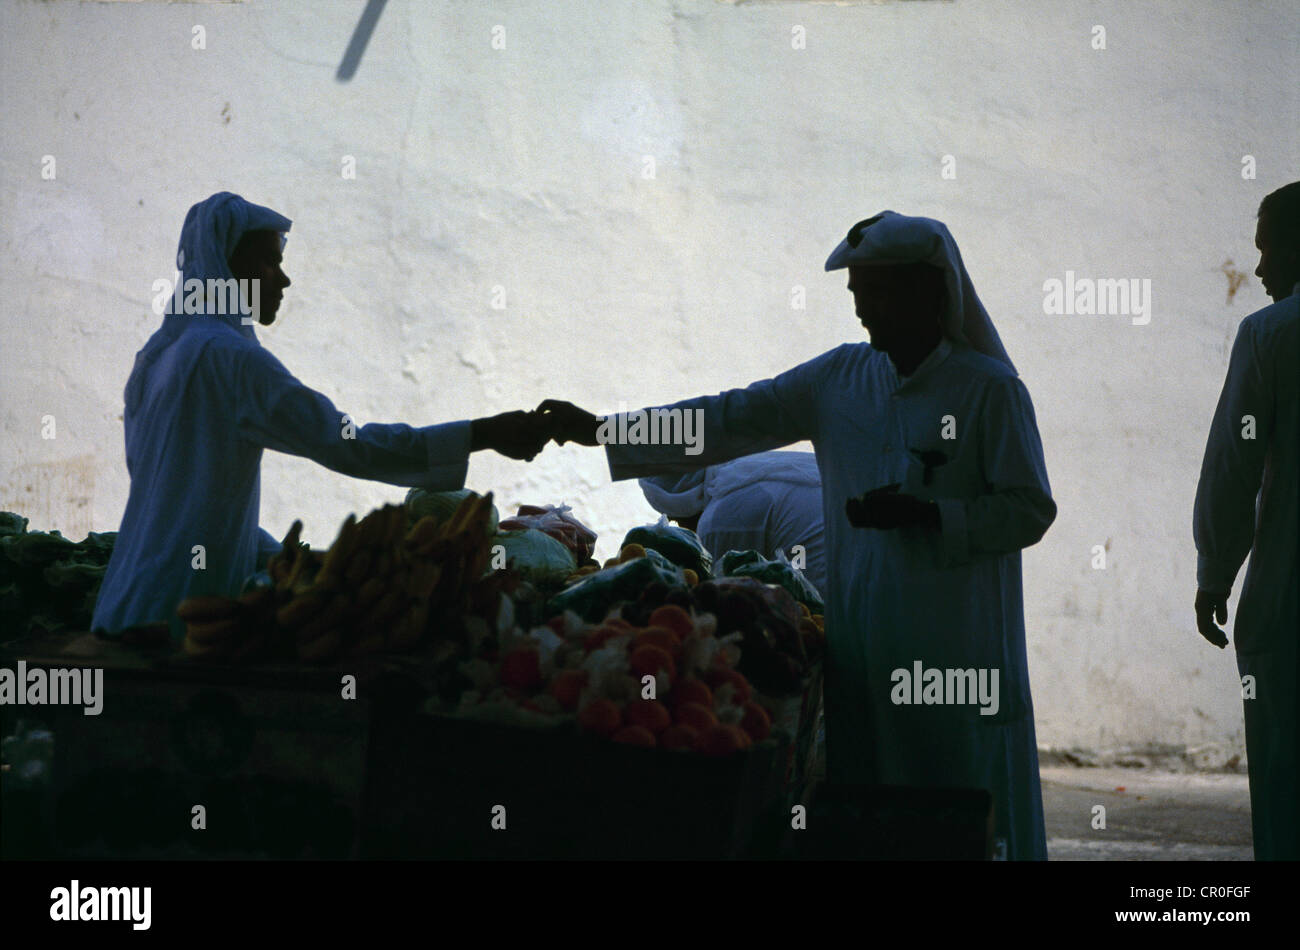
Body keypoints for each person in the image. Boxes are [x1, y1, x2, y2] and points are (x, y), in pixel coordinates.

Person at [540, 211, 1056, 860]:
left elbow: (1029, 509)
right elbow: (729, 417)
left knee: (956, 809)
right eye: (856, 295)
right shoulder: (839, 380)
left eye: (875, 293)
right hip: (864, 646)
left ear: (930, 293)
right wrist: (603, 431)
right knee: (874, 812)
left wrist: (930, 517)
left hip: (958, 652)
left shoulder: (991, 392)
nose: (862, 311)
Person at [91, 192, 548, 640]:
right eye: (270, 262)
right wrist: (483, 433)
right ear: (229, 267)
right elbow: (349, 444)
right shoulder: (232, 361)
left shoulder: (156, 357)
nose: (283, 280)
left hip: (123, 607)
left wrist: (298, 561)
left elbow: (179, 503)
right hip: (181, 618)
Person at [1193, 181, 1299, 861]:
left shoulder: (1269, 334)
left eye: (1269, 251)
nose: (1258, 270)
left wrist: (1213, 574)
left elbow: (1233, 465)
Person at [638, 451, 827, 596]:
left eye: (674, 516)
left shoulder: (718, 520)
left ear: (682, 501)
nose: (678, 526)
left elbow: (721, 598)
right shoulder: (745, 474)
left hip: (833, 600)